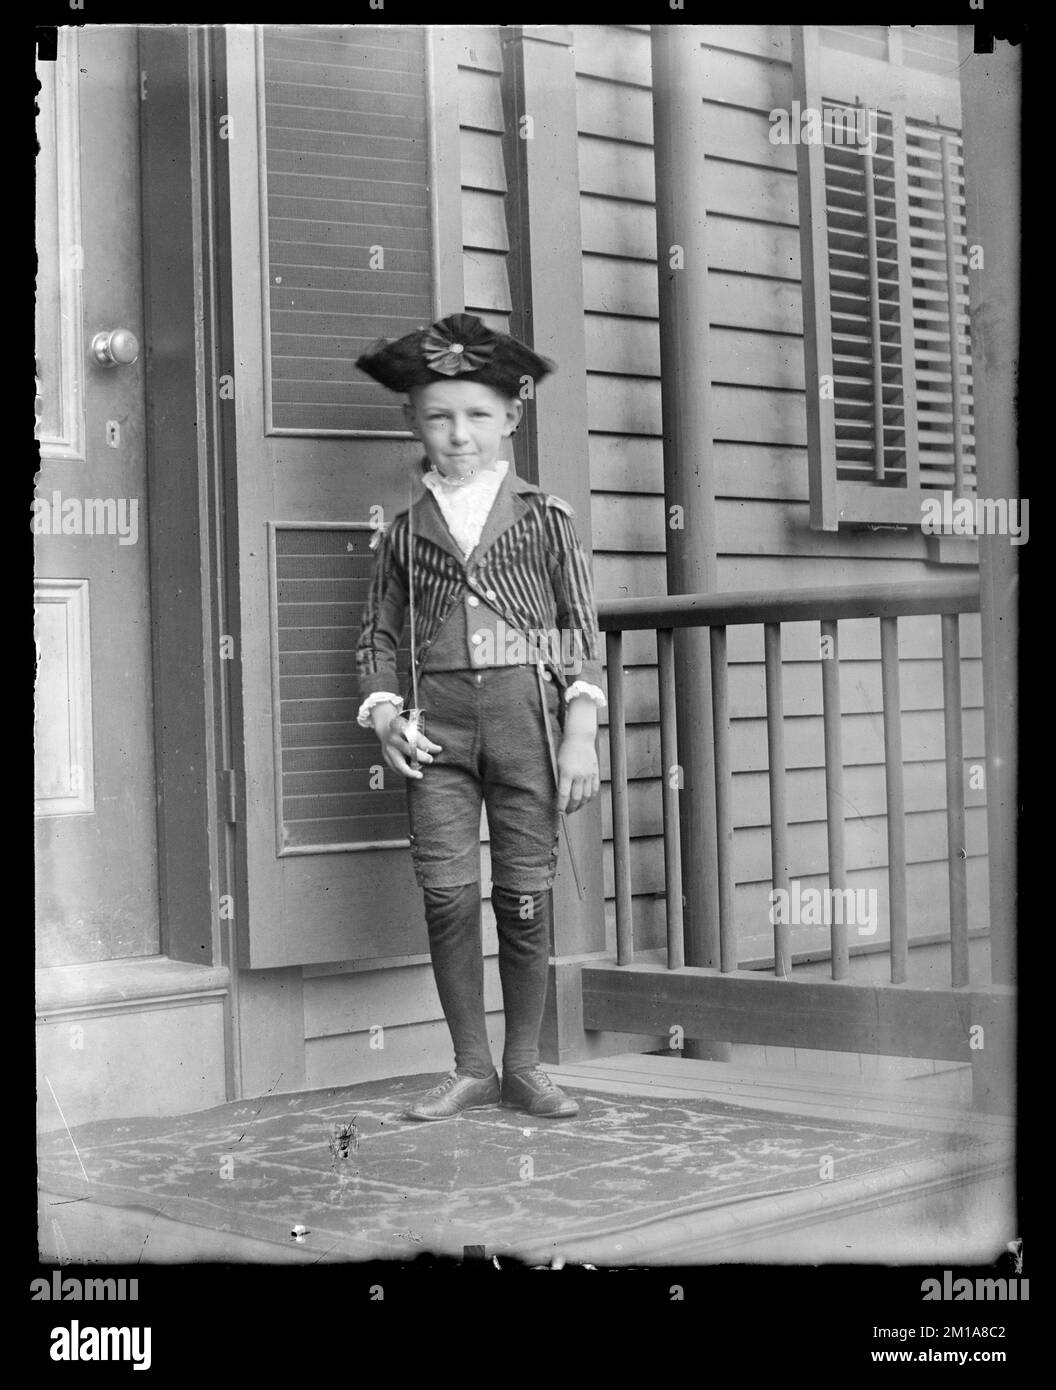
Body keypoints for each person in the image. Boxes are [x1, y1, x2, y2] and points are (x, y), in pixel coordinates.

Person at [355, 313, 607, 1121]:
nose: (457, 434)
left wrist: (579, 734)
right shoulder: (402, 532)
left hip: (527, 726)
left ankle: (524, 1065)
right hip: (439, 738)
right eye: (438, 416)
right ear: (413, 423)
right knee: (447, 895)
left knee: (524, 894)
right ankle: (470, 1067)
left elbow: (580, 634)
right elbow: (377, 636)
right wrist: (387, 714)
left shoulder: (544, 518)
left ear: (511, 419)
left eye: (476, 416)